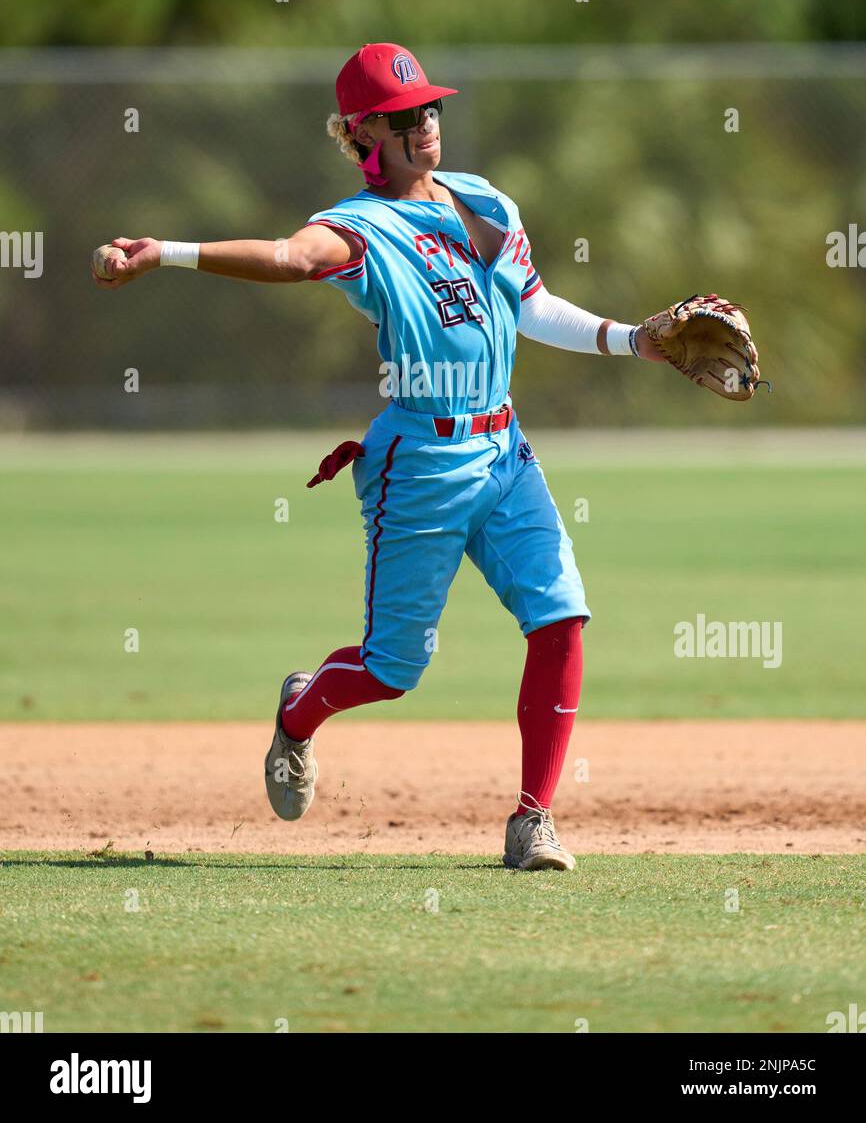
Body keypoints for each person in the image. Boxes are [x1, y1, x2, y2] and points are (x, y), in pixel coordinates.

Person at [94, 42, 665, 871]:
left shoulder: (485, 203)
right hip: (419, 464)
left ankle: (532, 819)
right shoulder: (358, 227)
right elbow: (291, 259)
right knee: (393, 671)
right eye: (404, 116)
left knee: (563, 616)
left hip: (504, 448)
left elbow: (533, 306)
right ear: (365, 132)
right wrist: (170, 253)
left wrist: (632, 341)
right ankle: (299, 714)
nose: (425, 123)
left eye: (429, 107)